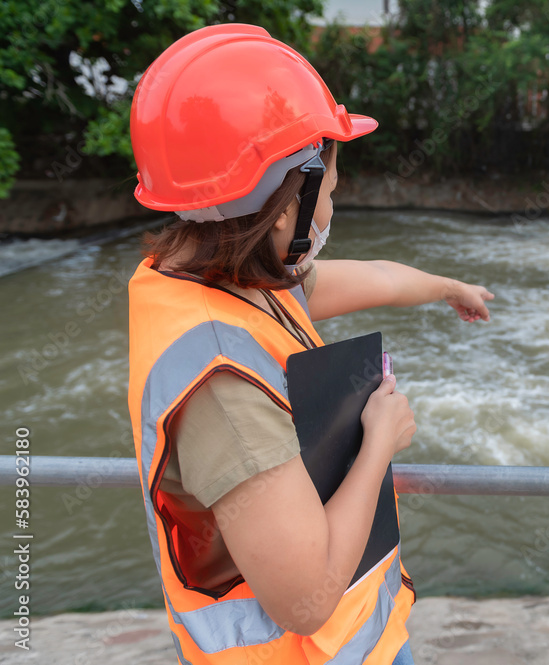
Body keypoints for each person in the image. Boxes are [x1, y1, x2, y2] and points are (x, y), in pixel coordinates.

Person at [125, 24, 494, 665]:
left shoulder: (222, 278)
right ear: (284, 203)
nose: (332, 201)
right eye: (326, 188)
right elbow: (307, 601)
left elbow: (374, 275)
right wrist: (381, 439)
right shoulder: (221, 387)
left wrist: (447, 286)